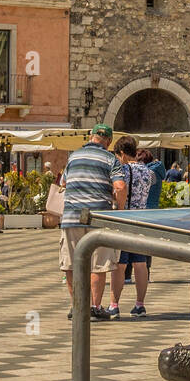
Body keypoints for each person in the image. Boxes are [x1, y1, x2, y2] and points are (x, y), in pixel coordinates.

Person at [59, 124, 127, 321]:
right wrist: (120, 208)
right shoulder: (110, 159)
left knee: (71, 263)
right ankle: (95, 307)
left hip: (71, 217)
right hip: (97, 217)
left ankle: (78, 306)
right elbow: (120, 186)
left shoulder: (73, 157)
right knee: (98, 264)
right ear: (109, 141)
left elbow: (63, 183)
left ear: (91, 136)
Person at [107, 136, 154, 317]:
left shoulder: (124, 170)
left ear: (121, 154)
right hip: (141, 220)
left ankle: (114, 305)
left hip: (125, 219)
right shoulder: (147, 171)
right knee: (140, 264)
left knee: (120, 265)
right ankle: (140, 304)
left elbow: (119, 190)